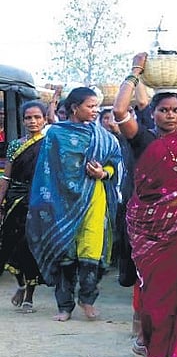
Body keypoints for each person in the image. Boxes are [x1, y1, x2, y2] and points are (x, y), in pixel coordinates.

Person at [114, 55, 177, 357]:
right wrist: (135, 73)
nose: (170, 115)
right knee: (155, 295)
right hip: (147, 228)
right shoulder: (143, 138)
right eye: (164, 110)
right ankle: (156, 352)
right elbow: (119, 112)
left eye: (176, 110)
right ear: (153, 114)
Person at [27, 87, 122, 322]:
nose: (95, 111)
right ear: (74, 108)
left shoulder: (103, 137)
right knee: (65, 251)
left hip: (94, 199)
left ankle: (87, 300)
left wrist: (103, 173)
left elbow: (116, 163)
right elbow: (46, 171)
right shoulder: (55, 135)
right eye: (90, 106)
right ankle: (65, 306)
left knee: (92, 251)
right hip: (61, 202)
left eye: (96, 106)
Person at [0, 101, 49, 312]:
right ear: (23, 121)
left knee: (30, 247)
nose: (33, 121)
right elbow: (6, 177)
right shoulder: (15, 145)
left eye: (37, 117)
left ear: (45, 120)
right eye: (28, 118)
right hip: (15, 200)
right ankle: (20, 284)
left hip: (39, 201)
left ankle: (29, 295)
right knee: (9, 246)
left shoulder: (49, 145)